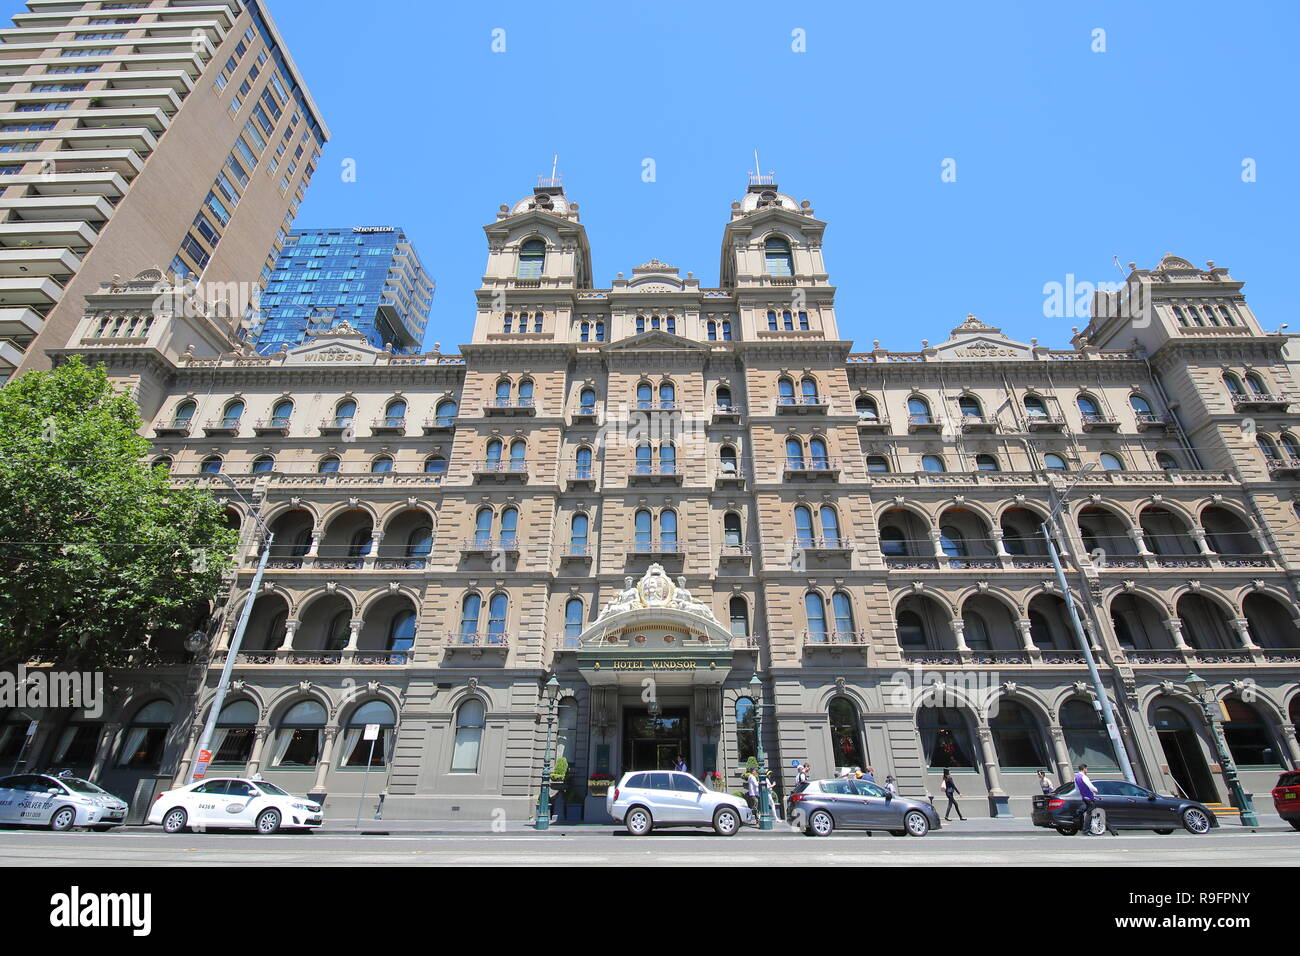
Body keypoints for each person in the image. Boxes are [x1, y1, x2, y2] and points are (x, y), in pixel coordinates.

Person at [1073, 763, 1117, 836]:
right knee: (1091, 814)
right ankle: (1086, 830)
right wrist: (1095, 790)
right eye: (1086, 769)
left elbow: (1077, 788)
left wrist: (1082, 794)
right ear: (1084, 769)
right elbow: (1090, 785)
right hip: (1090, 798)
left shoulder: (1076, 777)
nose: (1087, 770)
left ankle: (1113, 830)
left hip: (1084, 797)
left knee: (1093, 813)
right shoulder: (1084, 777)